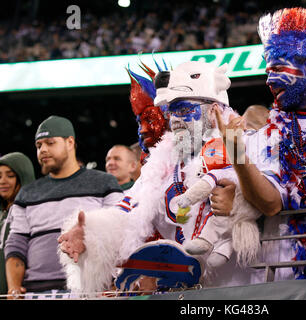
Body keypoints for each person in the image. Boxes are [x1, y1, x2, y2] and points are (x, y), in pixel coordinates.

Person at [58, 61, 255, 294]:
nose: (175, 120)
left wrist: (242, 202)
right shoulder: (160, 162)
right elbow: (130, 211)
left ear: (213, 111)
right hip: (176, 294)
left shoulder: (246, 144)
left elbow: (274, 196)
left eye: (183, 110)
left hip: (236, 289)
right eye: (172, 112)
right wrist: (91, 232)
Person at [215, 7, 306, 281]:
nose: (269, 80)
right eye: (267, 71)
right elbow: (270, 204)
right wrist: (236, 151)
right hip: (286, 272)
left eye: (278, 69)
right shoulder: (268, 133)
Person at [4, 115, 123, 298]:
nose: (43, 150)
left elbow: (122, 239)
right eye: (38, 145)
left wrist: (117, 284)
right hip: (35, 291)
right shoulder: (26, 193)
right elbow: (16, 246)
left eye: (50, 143)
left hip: (92, 289)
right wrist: (13, 287)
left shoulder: (104, 183)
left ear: (70, 142)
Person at [0, 152, 35, 295]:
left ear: (23, 177)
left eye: (10, 175)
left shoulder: (33, 213)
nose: (2, 181)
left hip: (21, 293)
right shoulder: (2, 214)